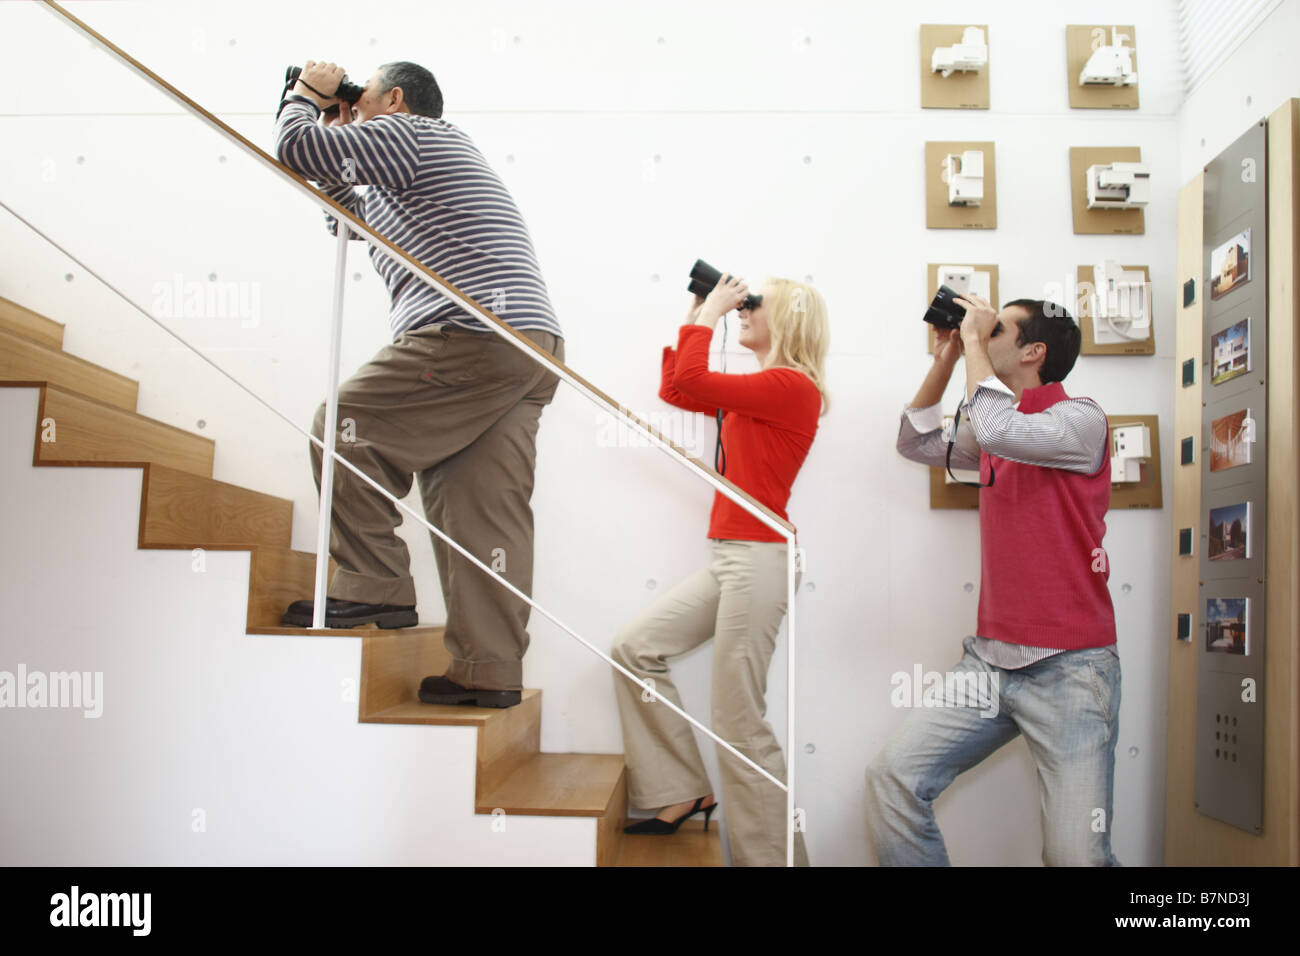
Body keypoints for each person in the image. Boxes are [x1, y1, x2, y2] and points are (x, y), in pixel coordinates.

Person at [273, 60, 564, 709]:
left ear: (396, 98)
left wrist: (306, 95)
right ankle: (487, 668)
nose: (356, 100)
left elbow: (293, 147)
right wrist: (340, 129)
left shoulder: (416, 134)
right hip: (525, 348)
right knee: (478, 509)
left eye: (363, 93)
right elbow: (344, 216)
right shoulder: (403, 167)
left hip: (471, 331)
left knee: (345, 424)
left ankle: (372, 582)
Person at [866, 293, 1121, 865]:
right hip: (989, 662)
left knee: (1075, 856)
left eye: (997, 328)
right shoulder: (994, 428)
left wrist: (975, 349)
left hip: (1072, 669)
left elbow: (1003, 430)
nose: (983, 331)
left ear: (1034, 351)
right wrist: (950, 357)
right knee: (894, 779)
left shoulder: (1081, 420)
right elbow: (913, 440)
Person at [610, 273, 829, 867]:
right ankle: (682, 790)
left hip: (761, 560)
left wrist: (707, 318)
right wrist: (697, 309)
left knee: (739, 722)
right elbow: (678, 389)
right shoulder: (759, 386)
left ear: (785, 321)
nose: (744, 311)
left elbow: (693, 379)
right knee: (634, 649)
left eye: (755, 306)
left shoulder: (791, 386)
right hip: (733, 555)